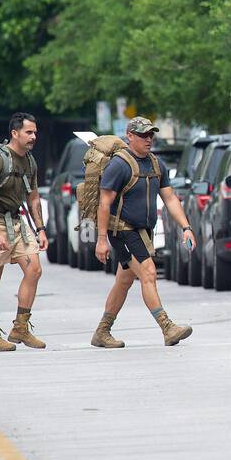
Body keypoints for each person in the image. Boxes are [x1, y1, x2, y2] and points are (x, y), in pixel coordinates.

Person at [91, 117, 195, 348]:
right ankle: (167, 327)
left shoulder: (157, 165)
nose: (148, 139)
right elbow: (104, 204)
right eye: (143, 135)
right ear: (130, 136)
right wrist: (101, 240)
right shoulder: (119, 165)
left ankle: (102, 332)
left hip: (144, 231)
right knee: (148, 273)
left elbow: (169, 198)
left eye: (151, 135)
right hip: (122, 231)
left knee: (124, 281)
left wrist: (186, 228)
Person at [0, 112, 47, 352]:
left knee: (34, 269)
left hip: (16, 220)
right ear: (14, 133)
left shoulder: (29, 161)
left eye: (35, 132)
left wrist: (41, 229)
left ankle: (20, 328)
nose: (33, 136)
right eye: (29, 132)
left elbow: (33, 198)